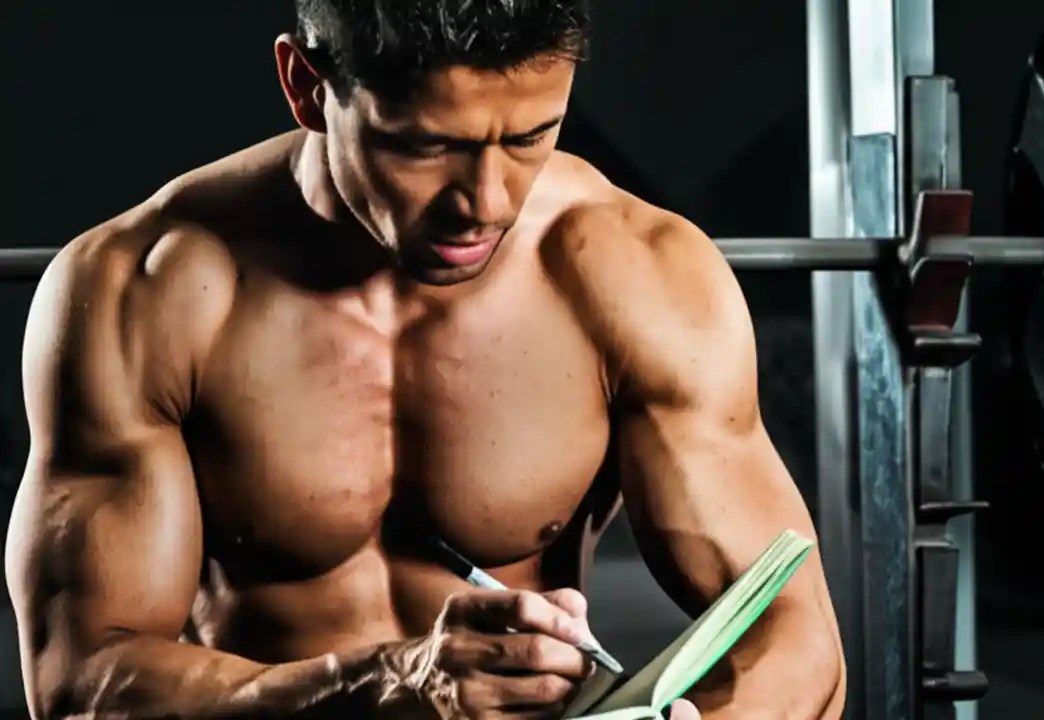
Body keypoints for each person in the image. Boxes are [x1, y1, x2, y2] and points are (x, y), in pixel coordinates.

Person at [4, 1, 845, 718]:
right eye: (424, 146)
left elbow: (796, 632)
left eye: (530, 136)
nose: (485, 204)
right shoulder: (139, 291)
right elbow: (79, 684)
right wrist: (378, 685)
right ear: (305, 85)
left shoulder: (632, 273)